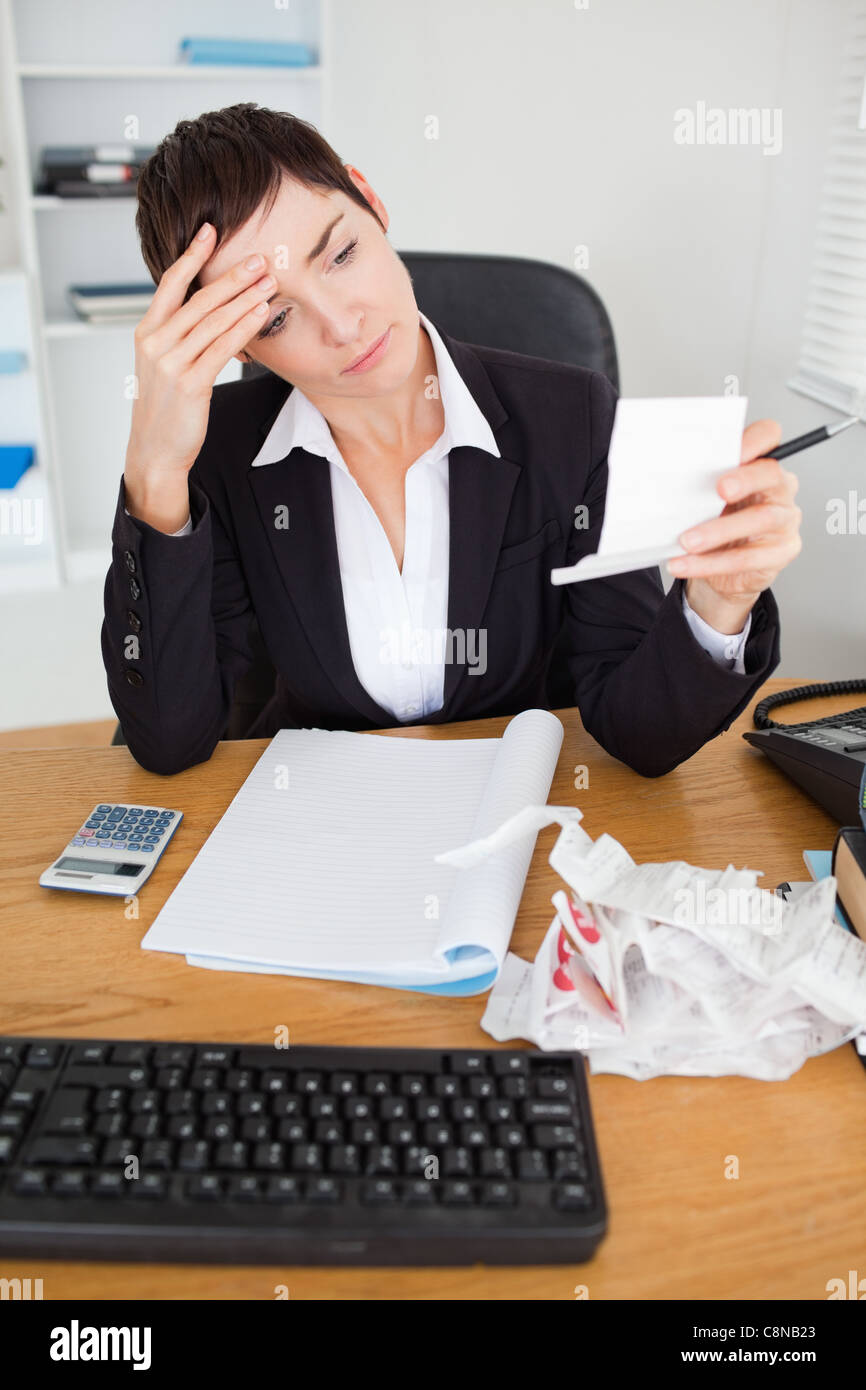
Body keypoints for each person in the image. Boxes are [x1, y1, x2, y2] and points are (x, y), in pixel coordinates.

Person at [101, 103, 801, 777]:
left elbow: (639, 735)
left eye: (341, 253)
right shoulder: (220, 453)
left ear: (370, 201)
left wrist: (718, 604)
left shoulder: (572, 417)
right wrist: (156, 473)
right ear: (237, 346)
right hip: (318, 826)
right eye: (276, 319)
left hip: (515, 811)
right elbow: (170, 740)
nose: (343, 325)